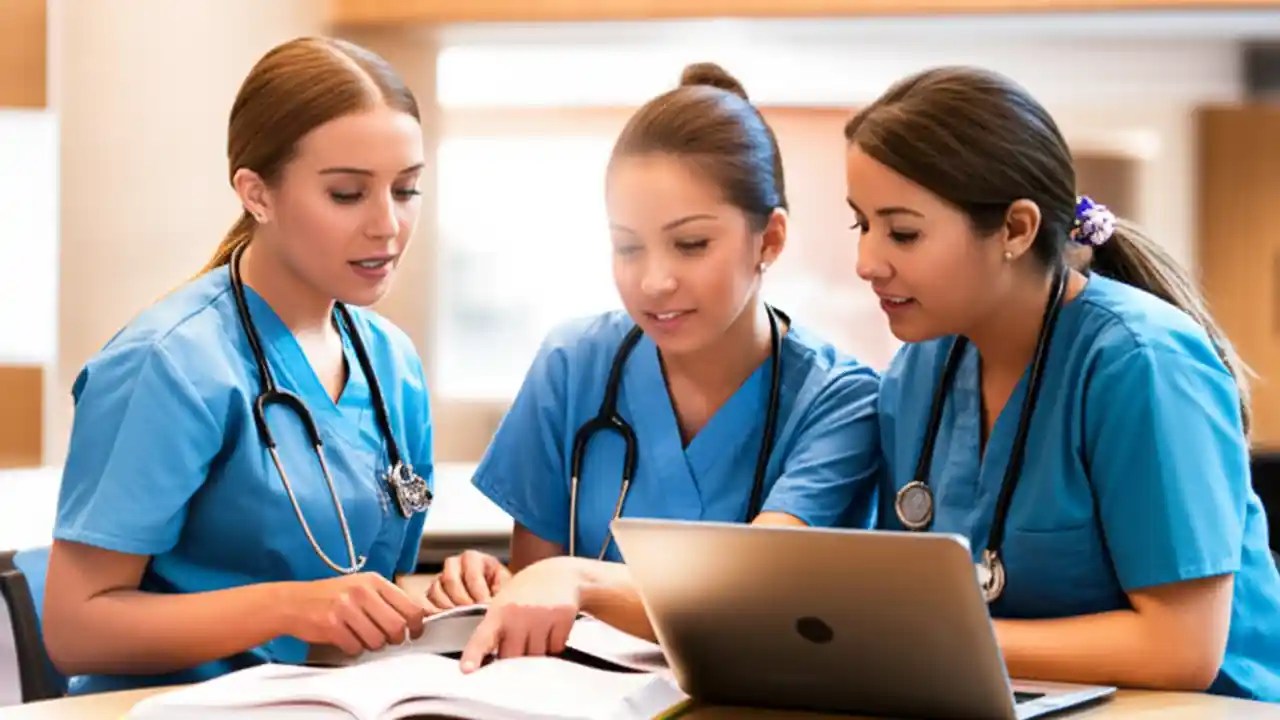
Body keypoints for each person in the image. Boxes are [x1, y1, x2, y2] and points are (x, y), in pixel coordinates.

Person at [423, 63, 883, 670]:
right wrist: (492, 587)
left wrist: (578, 580)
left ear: (769, 240)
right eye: (628, 246)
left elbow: (755, 597)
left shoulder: (839, 401)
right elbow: (535, 608)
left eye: (690, 245)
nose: (654, 281)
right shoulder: (573, 367)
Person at [850, 66, 1280, 701]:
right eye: (860, 225)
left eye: (903, 233)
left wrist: (939, 638)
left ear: (1016, 230)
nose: (866, 262)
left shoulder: (1142, 362)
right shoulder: (920, 372)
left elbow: (1182, 649)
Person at [42, 37, 435, 694]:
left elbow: (367, 588)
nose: (388, 225)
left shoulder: (392, 363)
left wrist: (445, 594)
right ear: (257, 194)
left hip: (329, 701)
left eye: (407, 189)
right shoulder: (169, 364)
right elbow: (74, 628)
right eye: (347, 194)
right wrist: (288, 608)